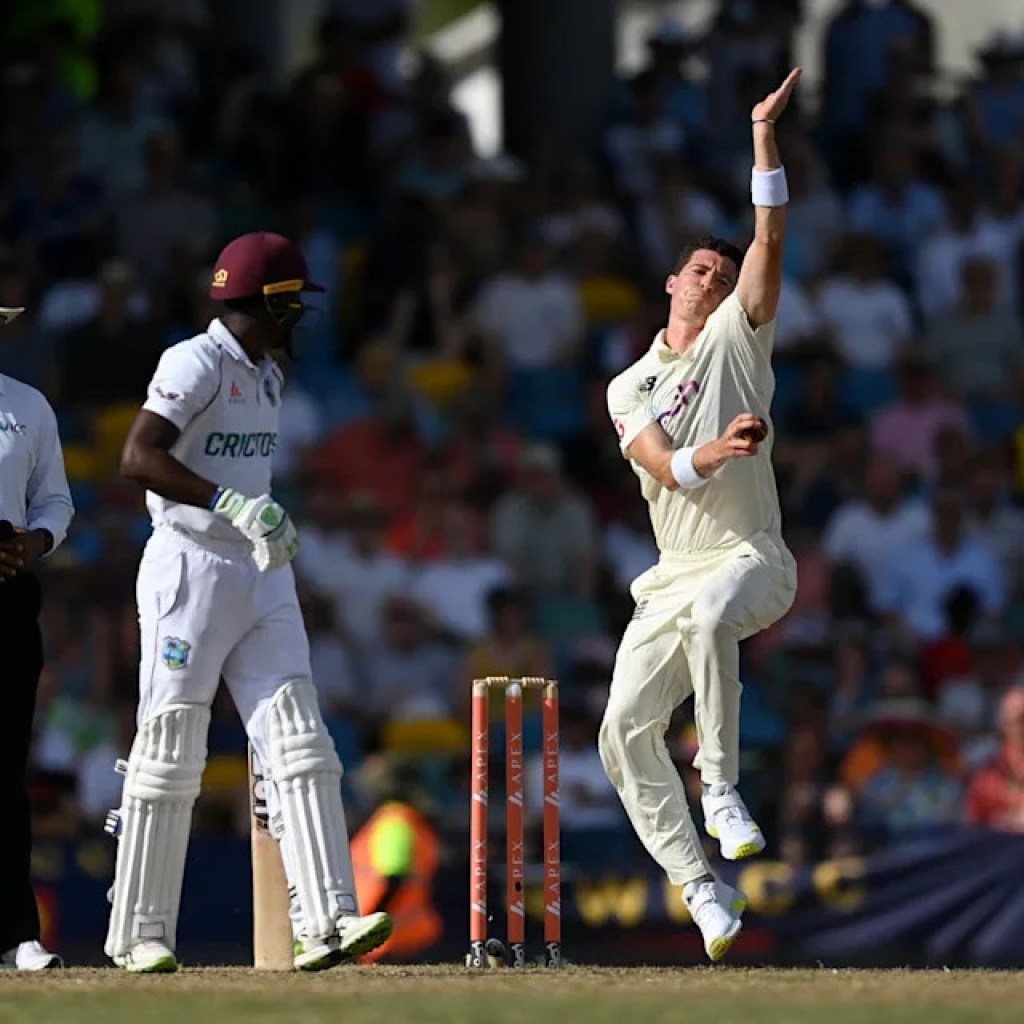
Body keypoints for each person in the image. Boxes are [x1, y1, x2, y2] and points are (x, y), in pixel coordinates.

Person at [106, 233, 392, 973]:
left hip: (258, 566)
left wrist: (261, 517)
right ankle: (139, 934)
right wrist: (233, 503)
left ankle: (327, 919)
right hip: (191, 564)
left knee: (299, 738)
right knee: (171, 747)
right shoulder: (193, 361)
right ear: (271, 302)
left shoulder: (268, 371)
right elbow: (139, 456)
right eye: (293, 303)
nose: (300, 318)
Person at [600, 70, 802, 962]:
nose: (712, 283)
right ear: (672, 281)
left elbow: (769, 234)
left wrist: (761, 137)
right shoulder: (628, 384)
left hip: (753, 556)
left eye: (722, 278)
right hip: (669, 576)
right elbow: (658, 465)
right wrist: (715, 452)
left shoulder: (738, 338)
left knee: (720, 612)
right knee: (619, 733)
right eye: (700, 271)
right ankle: (700, 888)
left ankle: (720, 788)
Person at [0, 304, 74, 970]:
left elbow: (55, 499)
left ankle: (16, 933)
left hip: (6, 593)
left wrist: (32, 541)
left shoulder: (26, 406)